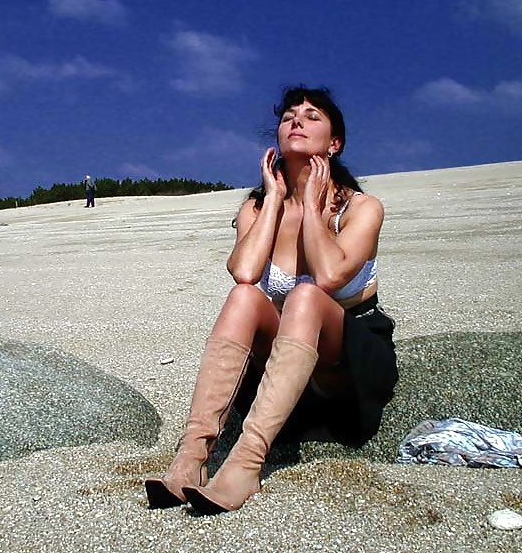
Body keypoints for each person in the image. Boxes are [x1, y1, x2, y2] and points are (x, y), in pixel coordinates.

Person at [144, 85, 398, 514]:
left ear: (334, 144)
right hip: (280, 370)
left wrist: (314, 211)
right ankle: (192, 456)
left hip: (345, 366)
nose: (296, 120)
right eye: (288, 116)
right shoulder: (258, 208)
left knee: (305, 294)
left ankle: (246, 463)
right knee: (244, 296)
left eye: (312, 115)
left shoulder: (360, 207)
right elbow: (244, 271)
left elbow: (330, 276)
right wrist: (276, 200)